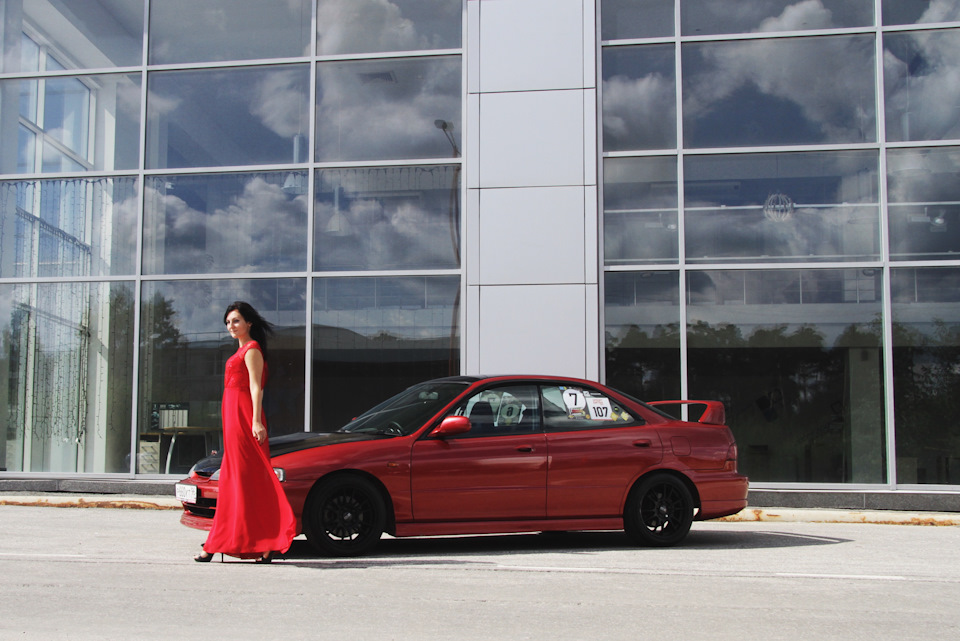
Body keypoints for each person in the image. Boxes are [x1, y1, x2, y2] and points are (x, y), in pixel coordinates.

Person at [194, 301, 296, 563]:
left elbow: (255, 388)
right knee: (235, 482)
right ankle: (247, 543)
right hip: (232, 418)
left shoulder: (252, 350)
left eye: (236, 320)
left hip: (244, 418)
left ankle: (225, 544)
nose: (231, 326)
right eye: (228, 322)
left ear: (249, 323)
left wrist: (255, 421)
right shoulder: (238, 351)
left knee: (244, 481)